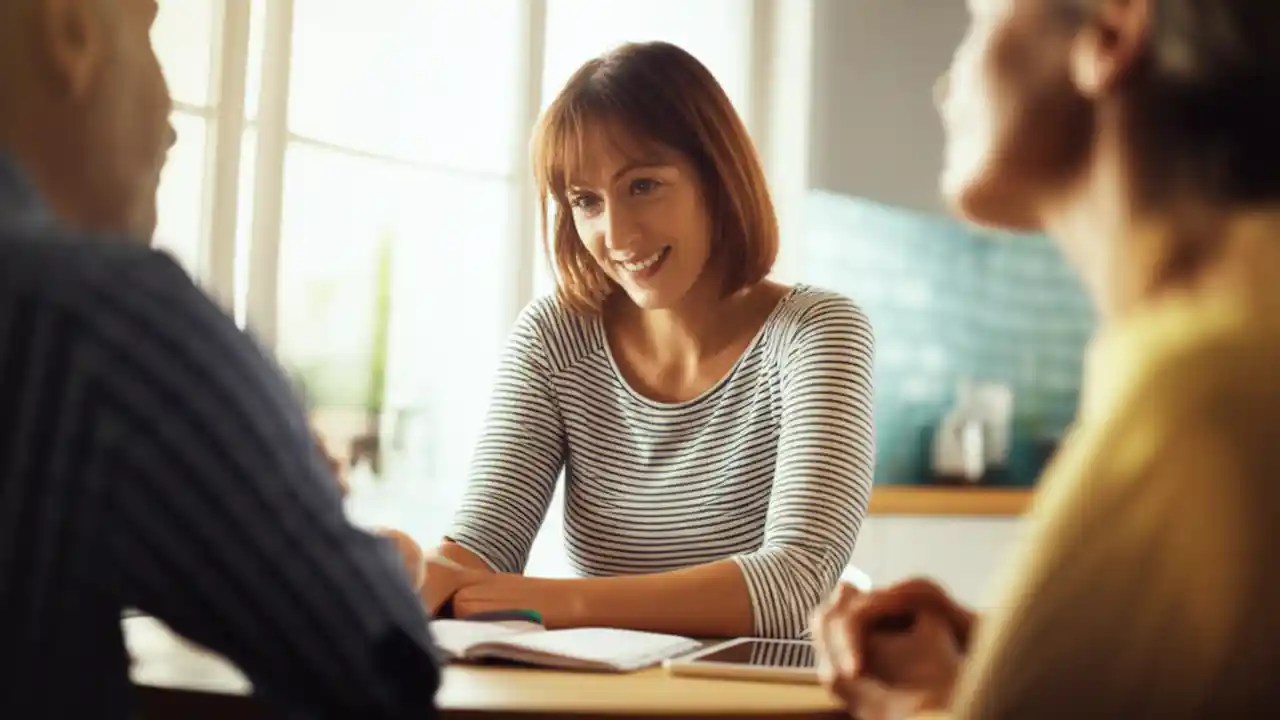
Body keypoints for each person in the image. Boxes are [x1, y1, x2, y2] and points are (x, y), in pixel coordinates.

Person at [811, 0, 1280, 717]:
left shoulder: (1194, 382)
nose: (946, 84)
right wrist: (1002, 644)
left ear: (1111, 31)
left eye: (979, 17)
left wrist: (908, 705)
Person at [0, 1, 440, 717]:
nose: (171, 123)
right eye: (147, 34)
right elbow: (376, 661)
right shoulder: (100, 321)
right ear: (71, 31)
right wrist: (293, 478)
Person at [397, 42, 874, 640]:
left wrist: (556, 603)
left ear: (717, 178)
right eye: (586, 202)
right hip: (608, 698)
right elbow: (483, 550)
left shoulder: (816, 333)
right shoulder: (555, 338)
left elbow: (794, 587)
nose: (617, 234)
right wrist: (409, 571)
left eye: (643, 186)